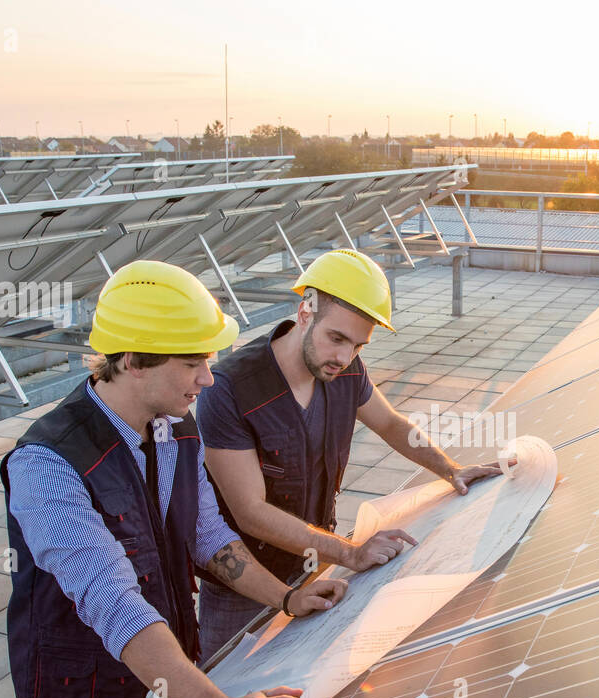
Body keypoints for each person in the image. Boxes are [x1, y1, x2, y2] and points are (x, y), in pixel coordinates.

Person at [0, 259, 347, 698]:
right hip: (95, 691)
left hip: (170, 667)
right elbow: (112, 600)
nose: (208, 378)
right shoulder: (47, 463)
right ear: (134, 361)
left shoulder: (176, 427)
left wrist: (287, 598)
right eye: (191, 363)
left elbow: (208, 534)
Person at [195, 248, 505, 656]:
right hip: (244, 586)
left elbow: (392, 424)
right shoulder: (230, 388)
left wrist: (450, 470)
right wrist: (350, 553)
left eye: (358, 346)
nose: (345, 357)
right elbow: (249, 512)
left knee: (299, 683)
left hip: (314, 563)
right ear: (305, 312)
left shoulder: (345, 370)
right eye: (337, 338)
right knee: (228, 689)